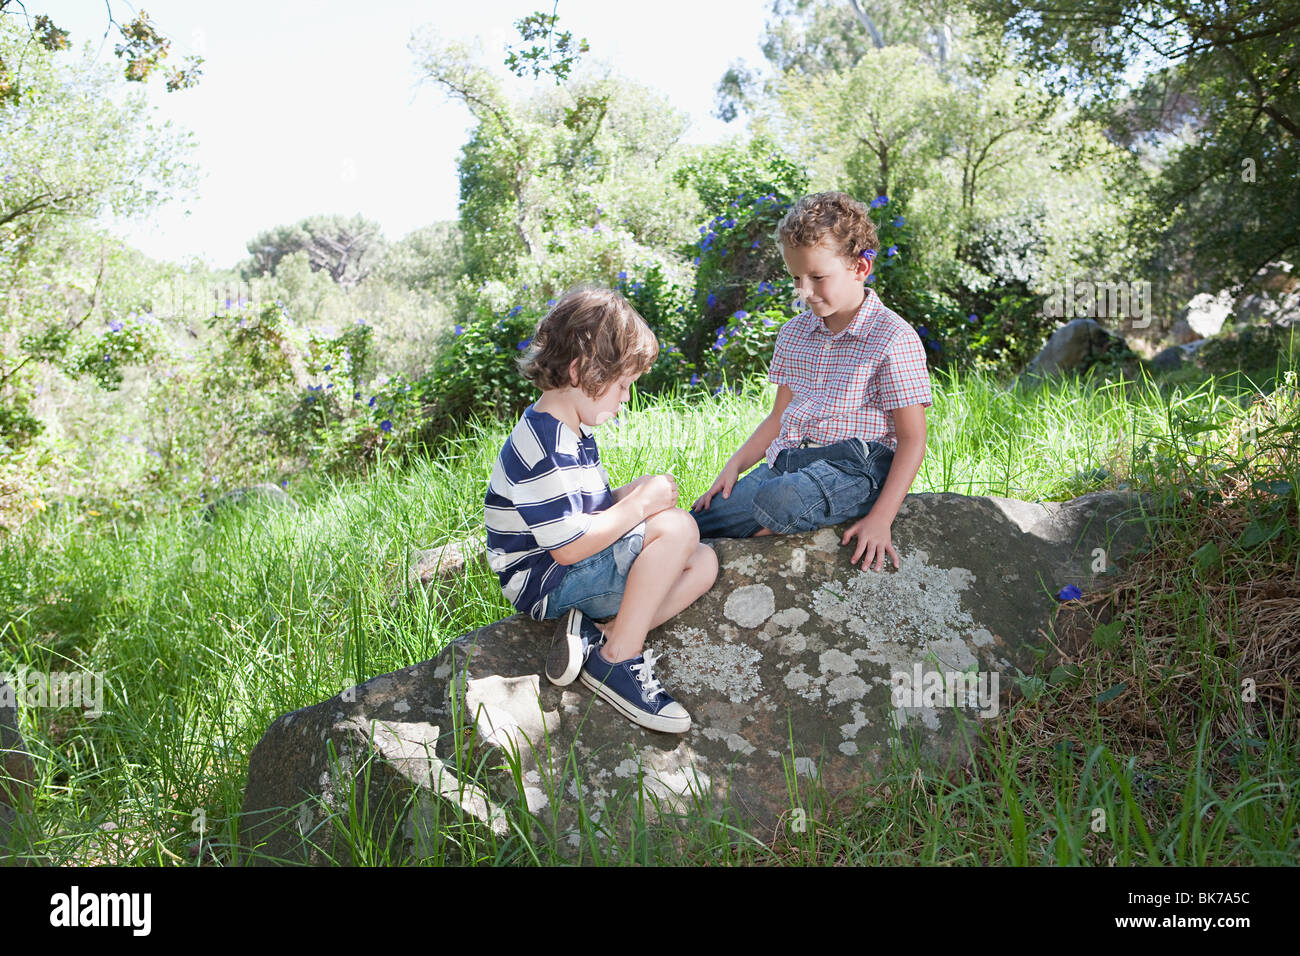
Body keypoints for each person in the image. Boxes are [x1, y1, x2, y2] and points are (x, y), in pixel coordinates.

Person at [485, 286, 718, 734]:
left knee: (703, 562)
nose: (625, 399)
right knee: (677, 529)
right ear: (581, 370)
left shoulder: (571, 430)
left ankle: (600, 635)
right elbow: (569, 548)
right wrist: (641, 508)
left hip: (572, 568)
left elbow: (582, 511)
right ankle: (616, 660)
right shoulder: (543, 446)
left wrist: (630, 495)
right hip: (549, 582)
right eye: (623, 385)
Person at [690, 191, 932, 572]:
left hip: (856, 467)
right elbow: (778, 418)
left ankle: (755, 540)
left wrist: (882, 518)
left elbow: (913, 438)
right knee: (697, 523)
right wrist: (734, 466)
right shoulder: (794, 334)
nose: (805, 291)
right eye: (796, 278)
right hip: (788, 460)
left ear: (860, 267)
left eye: (818, 277)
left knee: (781, 498)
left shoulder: (892, 338)